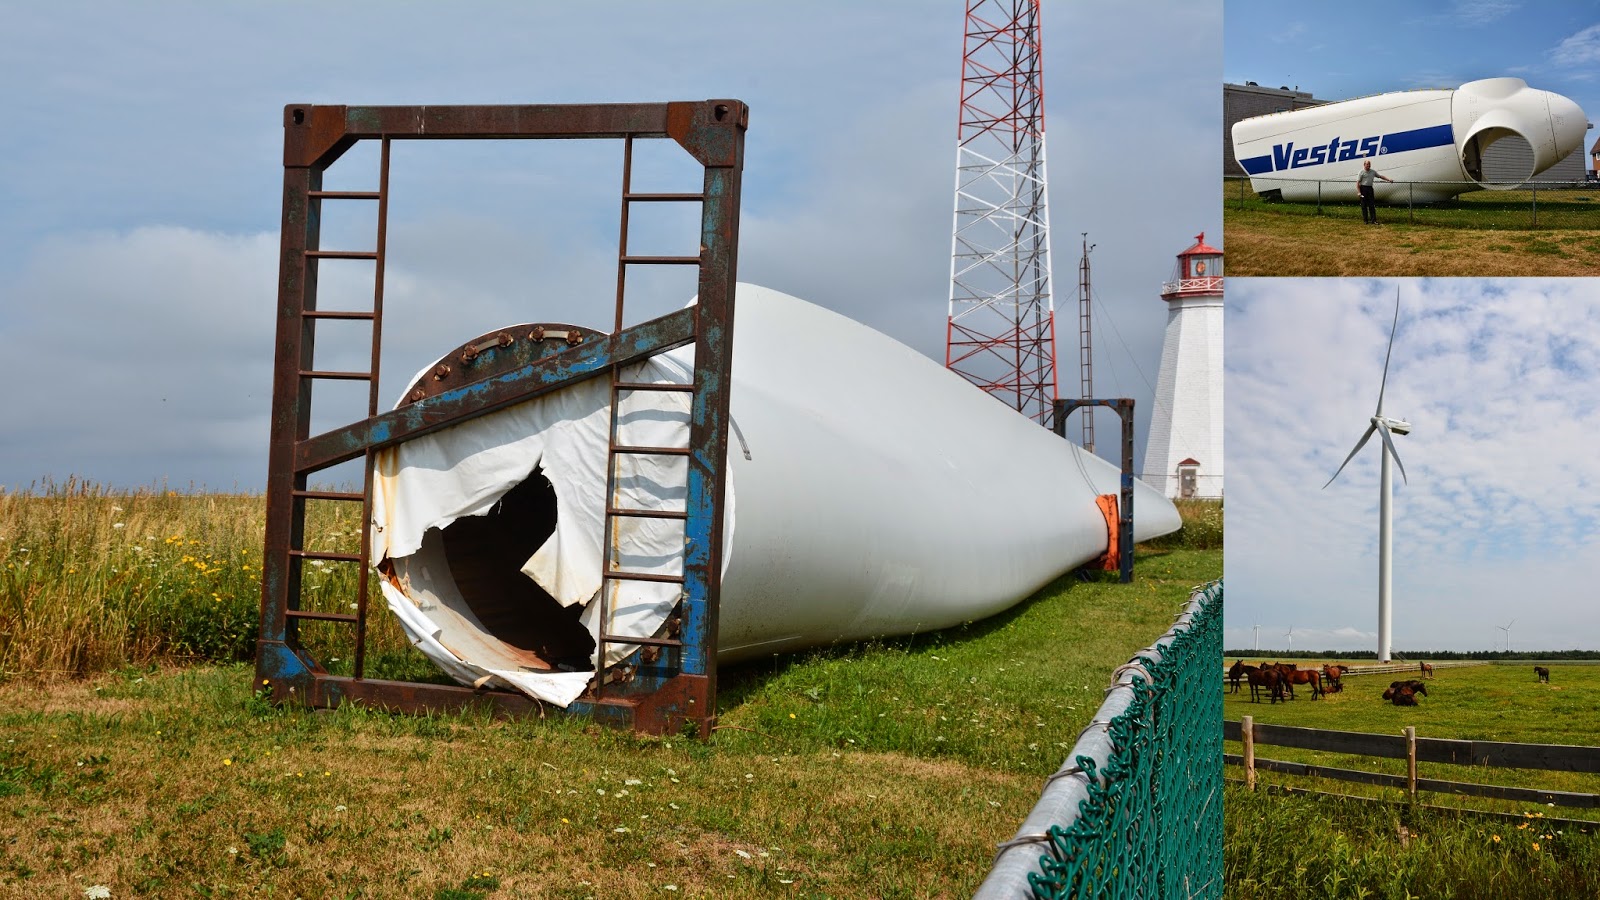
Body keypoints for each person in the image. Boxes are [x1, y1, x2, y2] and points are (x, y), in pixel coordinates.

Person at [1357, 160, 1393, 225]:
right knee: (1364, 205)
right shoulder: (1361, 172)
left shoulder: (1372, 172)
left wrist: (1388, 179)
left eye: (1369, 164)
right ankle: (1365, 220)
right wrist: (1359, 192)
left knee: (1372, 205)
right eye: (1367, 164)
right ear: (1364, 165)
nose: (1368, 166)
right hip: (1363, 189)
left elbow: (1380, 176)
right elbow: (1357, 183)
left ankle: (1373, 220)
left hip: (1370, 189)